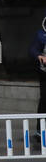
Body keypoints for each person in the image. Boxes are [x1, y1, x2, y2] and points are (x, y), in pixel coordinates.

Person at [31, 14, 46, 145]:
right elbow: (33, 49)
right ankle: (39, 130)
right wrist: (39, 56)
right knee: (44, 100)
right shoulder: (41, 34)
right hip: (44, 73)